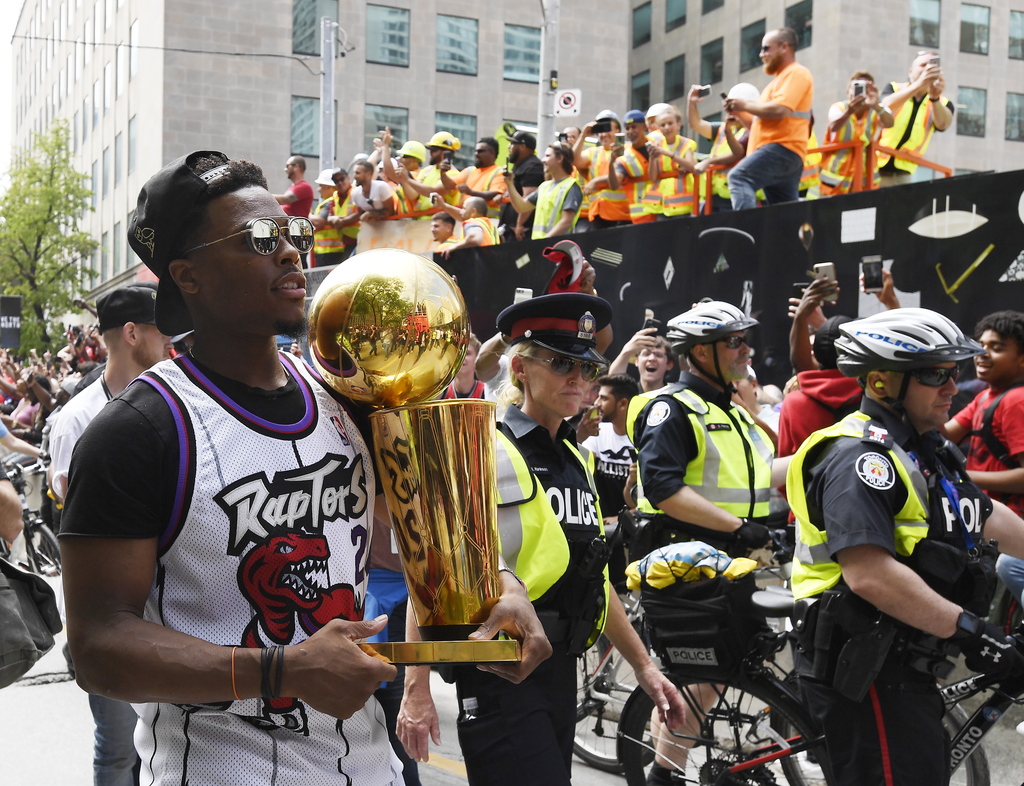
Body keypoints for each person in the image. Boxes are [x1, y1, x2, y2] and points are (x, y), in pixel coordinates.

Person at [60, 150, 549, 786]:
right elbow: (98, 650)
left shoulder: (348, 395)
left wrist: (499, 588)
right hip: (220, 769)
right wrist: (282, 669)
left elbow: (400, 543)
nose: (291, 252)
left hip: (369, 764)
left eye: (295, 233)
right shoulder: (137, 431)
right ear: (188, 275)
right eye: (260, 238)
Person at [397, 293, 684, 786]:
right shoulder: (480, 445)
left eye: (586, 367)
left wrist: (644, 667)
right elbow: (431, 572)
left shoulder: (578, 460)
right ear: (520, 369)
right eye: (560, 364)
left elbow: (591, 582)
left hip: (558, 669)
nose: (577, 378)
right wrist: (415, 688)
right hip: (497, 671)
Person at [787, 308, 1024, 786]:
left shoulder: (924, 447)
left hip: (906, 660)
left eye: (953, 372)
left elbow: (983, 513)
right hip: (864, 667)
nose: (952, 387)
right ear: (879, 382)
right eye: (935, 374)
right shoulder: (861, 457)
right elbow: (870, 575)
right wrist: (974, 633)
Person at [625, 301, 778, 784]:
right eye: (733, 341)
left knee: (719, 674)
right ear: (699, 353)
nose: (745, 349)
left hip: (733, 558)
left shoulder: (734, 411)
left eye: (743, 339)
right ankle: (665, 775)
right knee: (694, 679)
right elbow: (665, 488)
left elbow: (754, 477)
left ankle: (667, 769)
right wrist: (737, 528)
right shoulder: (672, 408)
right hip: (684, 559)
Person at [48, 282, 172, 786]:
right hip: (112, 617)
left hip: (173, 609)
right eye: (162, 332)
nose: (171, 344)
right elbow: (72, 531)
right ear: (131, 332)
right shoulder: (77, 419)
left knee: (172, 745)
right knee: (119, 751)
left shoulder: (174, 402)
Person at [945, 311, 1024, 609]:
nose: (983, 353)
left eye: (997, 347)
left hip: (1011, 531)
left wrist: (967, 478)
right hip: (989, 528)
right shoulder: (985, 397)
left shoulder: (1016, 401)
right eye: (981, 344)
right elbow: (942, 433)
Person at [723, 28, 813, 210]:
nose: (761, 54)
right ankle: (787, 238)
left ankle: (747, 234)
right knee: (783, 210)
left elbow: (780, 110)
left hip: (781, 148)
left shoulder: (796, 73)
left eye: (766, 48)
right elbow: (759, 124)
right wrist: (739, 112)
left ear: (784, 47)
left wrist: (744, 105)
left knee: (739, 177)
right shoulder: (779, 81)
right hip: (784, 151)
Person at [879, 51, 953, 186]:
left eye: (931, 66)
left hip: (903, 171)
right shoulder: (894, 88)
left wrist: (934, 98)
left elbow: (943, 124)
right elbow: (884, 107)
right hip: (875, 162)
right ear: (910, 72)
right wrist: (919, 84)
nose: (926, 69)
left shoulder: (943, 102)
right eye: (923, 65)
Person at [819, 72, 894, 196]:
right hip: (836, 179)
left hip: (865, 178)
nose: (860, 92)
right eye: (856, 87)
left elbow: (890, 123)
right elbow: (834, 126)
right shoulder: (840, 108)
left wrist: (876, 105)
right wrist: (850, 111)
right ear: (848, 92)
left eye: (866, 88)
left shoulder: (877, 110)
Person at [688, 83, 759, 213]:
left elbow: (737, 154)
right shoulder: (722, 129)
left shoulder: (755, 129)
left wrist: (709, 161)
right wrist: (691, 102)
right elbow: (696, 124)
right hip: (715, 194)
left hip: (740, 192)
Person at [501, 142, 583, 239]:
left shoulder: (571, 186)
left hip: (556, 248)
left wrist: (545, 241)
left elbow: (566, 221)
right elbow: (521, 207)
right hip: (540, 246)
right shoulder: (544, 186)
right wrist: (510, 184)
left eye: (548, 156)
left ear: (560, 159)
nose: (543, 160)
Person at [574, 111, 632, 230]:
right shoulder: (593, 152)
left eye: (607, 128)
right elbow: (574, 160)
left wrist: (595, 181)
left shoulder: (628, 150)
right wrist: (583, 135)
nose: (603, 134)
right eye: (600, 130)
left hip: (622, 215)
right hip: (598, 215)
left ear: (617, 130)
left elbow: (620, 176)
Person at [608, 110, 658, 224]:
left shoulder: (658, 144)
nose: (630, 131)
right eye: (627, 128)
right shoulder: (625, 157)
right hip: (642, 216)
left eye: (634, 127)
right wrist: (611, 163)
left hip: (664, 211)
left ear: (644, 127)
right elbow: (615, 184)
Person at [647, 105, 698, 219]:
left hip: (682, 205)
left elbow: (693, 167)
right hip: (662, 204)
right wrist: (652, 158)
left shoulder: (686, 144)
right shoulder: (656, 145)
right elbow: (652, 177)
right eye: (663, 125)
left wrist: (668, 153)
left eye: (670, 123)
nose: (667, 127)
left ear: (678, 125)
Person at [498, 130, 544, 241]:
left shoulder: (533, 166)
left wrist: (520, 224)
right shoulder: (520, 164)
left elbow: (529, 198)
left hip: (521, 231)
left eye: (513, 144)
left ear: (523, 146)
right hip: (509, 227)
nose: (509, 147)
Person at [446, 137, 507, 219]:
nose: (476, 154)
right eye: (475, 151)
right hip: (467, 220)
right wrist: (443, 173)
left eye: (480, 151)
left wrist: (470, 192)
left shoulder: (499, 172)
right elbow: (449, 185)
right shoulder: (469, 171)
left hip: (487, 221)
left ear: (492, 152)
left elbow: (494, 194)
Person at [608, 328, 677, 392]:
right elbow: (612, 385)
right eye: (647, 354)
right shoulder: (628, 395)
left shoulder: (674, 395)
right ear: (636, 361)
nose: (651, 358)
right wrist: (626, 352)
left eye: (658, 355)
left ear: (669, 365)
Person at [432, 195, 500, 258]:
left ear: (473, 212)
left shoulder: (471, 222)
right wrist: (443, 205)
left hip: (481, 265)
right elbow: (461, 216)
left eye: (464, 209)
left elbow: (475, 238)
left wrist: (454, 247)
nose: (461, 211)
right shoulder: (489, 225)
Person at [308, 168, 348, 266]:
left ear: (329, 187)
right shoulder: (331, 202)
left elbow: (320, 221)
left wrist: (305, 213)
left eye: (321, 186)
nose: (318, 189)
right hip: (326, 252)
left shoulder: (330, 202)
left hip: (331, 253)